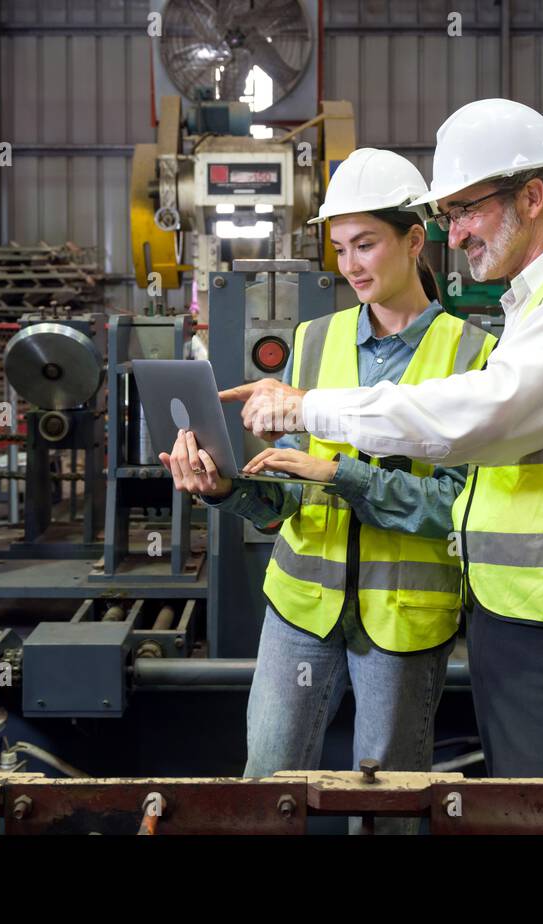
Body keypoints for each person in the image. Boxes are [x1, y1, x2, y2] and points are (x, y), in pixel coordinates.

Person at [221, 99, 543, 779]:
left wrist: (311, 414)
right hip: (507, 610)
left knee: (540, 815)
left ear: (530, 198)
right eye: (449, 215)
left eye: (466, 210)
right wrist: (230, 487)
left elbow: (489, 418)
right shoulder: (528, 310)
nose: (456, 234)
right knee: (521, 808)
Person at [159, 148, 495, 828]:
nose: (352, 265)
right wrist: (226, 488)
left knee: (390, 806)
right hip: (300, 610)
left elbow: (459, 509)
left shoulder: (472, 357)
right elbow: (283, 491)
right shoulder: (313, 340)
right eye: (340, 248)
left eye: (366, 243)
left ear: (415, 237)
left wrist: (341, 473)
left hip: (402, 621)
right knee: (265, 787)